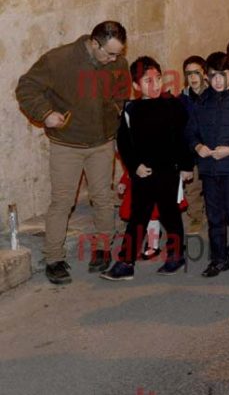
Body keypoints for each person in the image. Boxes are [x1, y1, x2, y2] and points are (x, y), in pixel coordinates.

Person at [16, 21, 129, 284]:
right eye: (109, 53)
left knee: (103, 198)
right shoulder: (59, 59)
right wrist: (45, 114)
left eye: (118, 54)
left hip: (101, 143)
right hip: (67, 145)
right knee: (62, 202)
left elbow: (122, 94)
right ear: (94, 43)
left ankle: (102, 248)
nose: (114, 59)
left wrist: (115, 112)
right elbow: (26, 87)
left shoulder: (117, 63)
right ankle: (54, 258)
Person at [101, 57, 192, 281]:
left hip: (168, 172)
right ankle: (125, 263)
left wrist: (186, 166)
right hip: (143, 175)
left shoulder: (173, 105)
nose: (155, 85)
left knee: (170, 215)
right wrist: (134, 168)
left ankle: (176, 255)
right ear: (135, 86)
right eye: (148, 80)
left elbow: (183, 138)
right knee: (137, 218)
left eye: (158, 79)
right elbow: (124, 143)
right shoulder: (131, 110)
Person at [185, 51, 229, 278]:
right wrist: (197, 146)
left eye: (222, 75)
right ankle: (219, 259)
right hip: (209, 169)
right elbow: (190, 132)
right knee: (214, 216)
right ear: (207, 78)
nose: (218, 81)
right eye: (213, 76)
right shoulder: (201, 104)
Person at [178, 55, 208, 233]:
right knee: (193, 187)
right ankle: (196, 215)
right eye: (188, 74)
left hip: (211, 149)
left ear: (204, 74)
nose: (192, 77)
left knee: (213, 186)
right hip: (192, 151)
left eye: (196, 72)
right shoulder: (181, 100)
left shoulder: (213, 94)